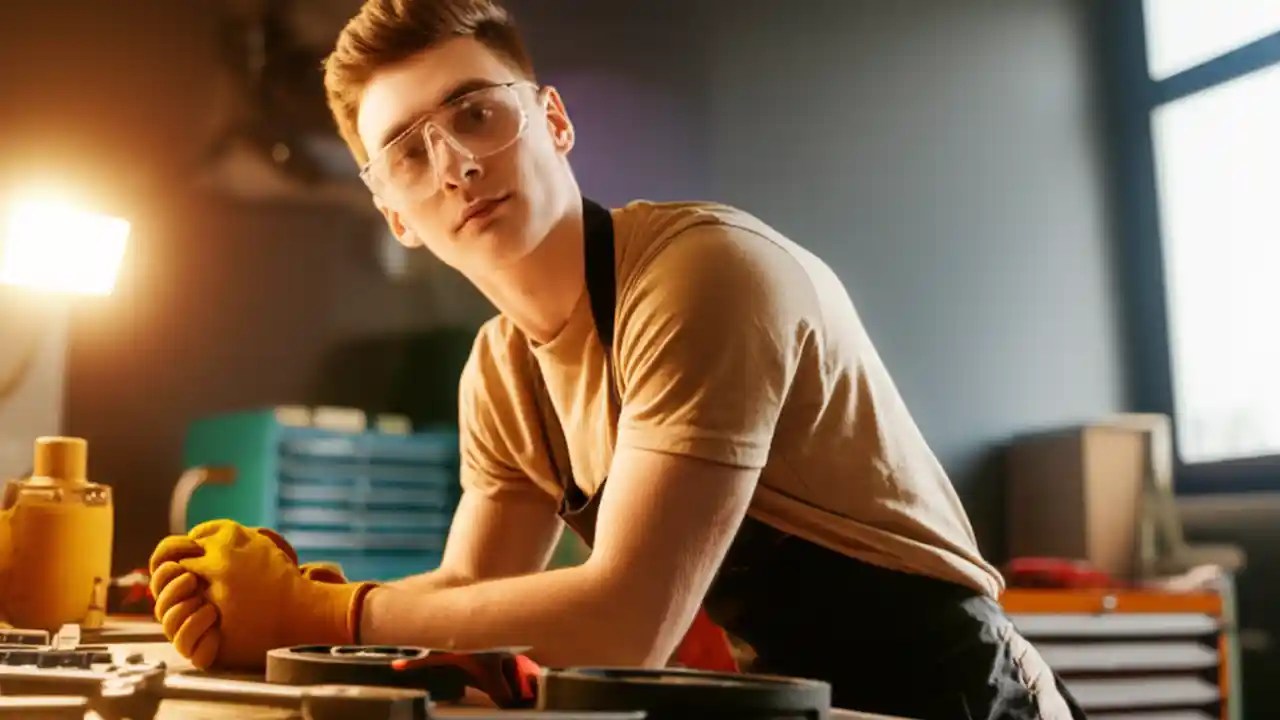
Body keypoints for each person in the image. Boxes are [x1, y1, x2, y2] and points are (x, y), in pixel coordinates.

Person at [148, 1, 1084, 717]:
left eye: (477, 113)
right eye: (406, 150)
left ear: (553, 120)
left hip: (960, 697)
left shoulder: (702, 275)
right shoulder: (500, 371)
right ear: (393, 213)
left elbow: (628, 619)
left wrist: (320, 620)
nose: (457, 165)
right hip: (806, 702)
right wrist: (286, 604)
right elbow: (475, 598)